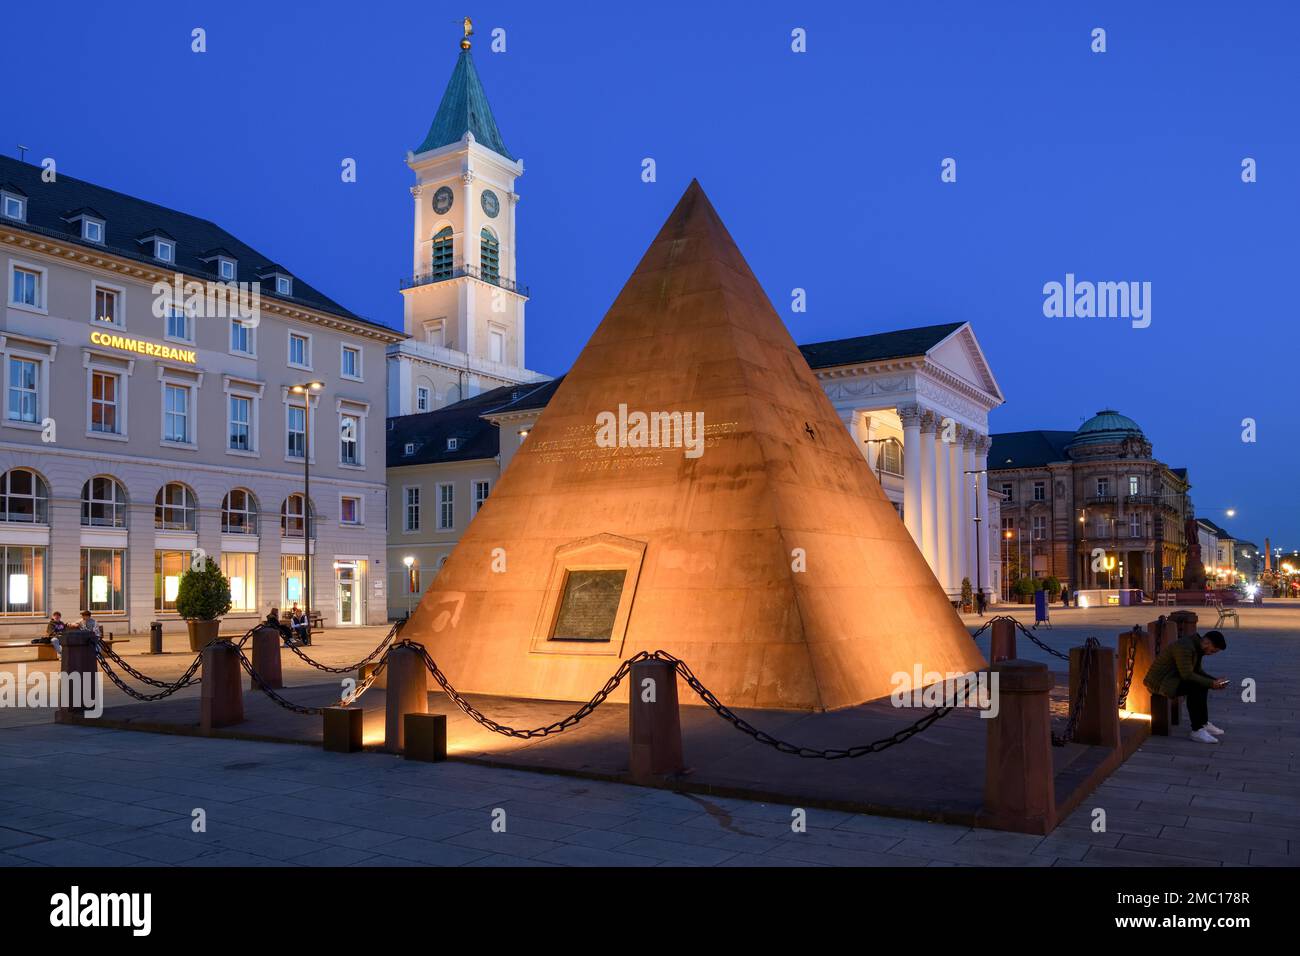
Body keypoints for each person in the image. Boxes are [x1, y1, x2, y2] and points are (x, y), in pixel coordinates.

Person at [1143, 629, 1229, 744]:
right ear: (1207, 643)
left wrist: (1214, 681)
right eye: (1212, 651)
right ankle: (1197, 730)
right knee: (1196, 686)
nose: (1210, 654)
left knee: (1202, 684)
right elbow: (1187, 675)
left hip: (1173, 678)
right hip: (1160, 682)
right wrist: (1211, 683)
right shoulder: (1185, 647)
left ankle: (1203, 723)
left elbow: (1197, 671)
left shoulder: (1197, 647)